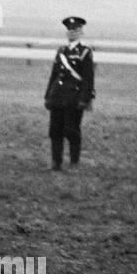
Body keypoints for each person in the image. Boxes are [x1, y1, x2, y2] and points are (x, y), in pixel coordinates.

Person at [44, 16, 95, 170]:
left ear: (81, 32)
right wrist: (48, 95)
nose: (72, 32)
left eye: (75, 30)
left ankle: (74, 162)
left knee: (71, 130)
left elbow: (88, 78)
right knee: (55, 131)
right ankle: (56, 162)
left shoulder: (85, 52)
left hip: (74, 97)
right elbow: (54, 75)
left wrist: (85, 98)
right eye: (70, 30)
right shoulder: (61, 51)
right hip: (58, 96)